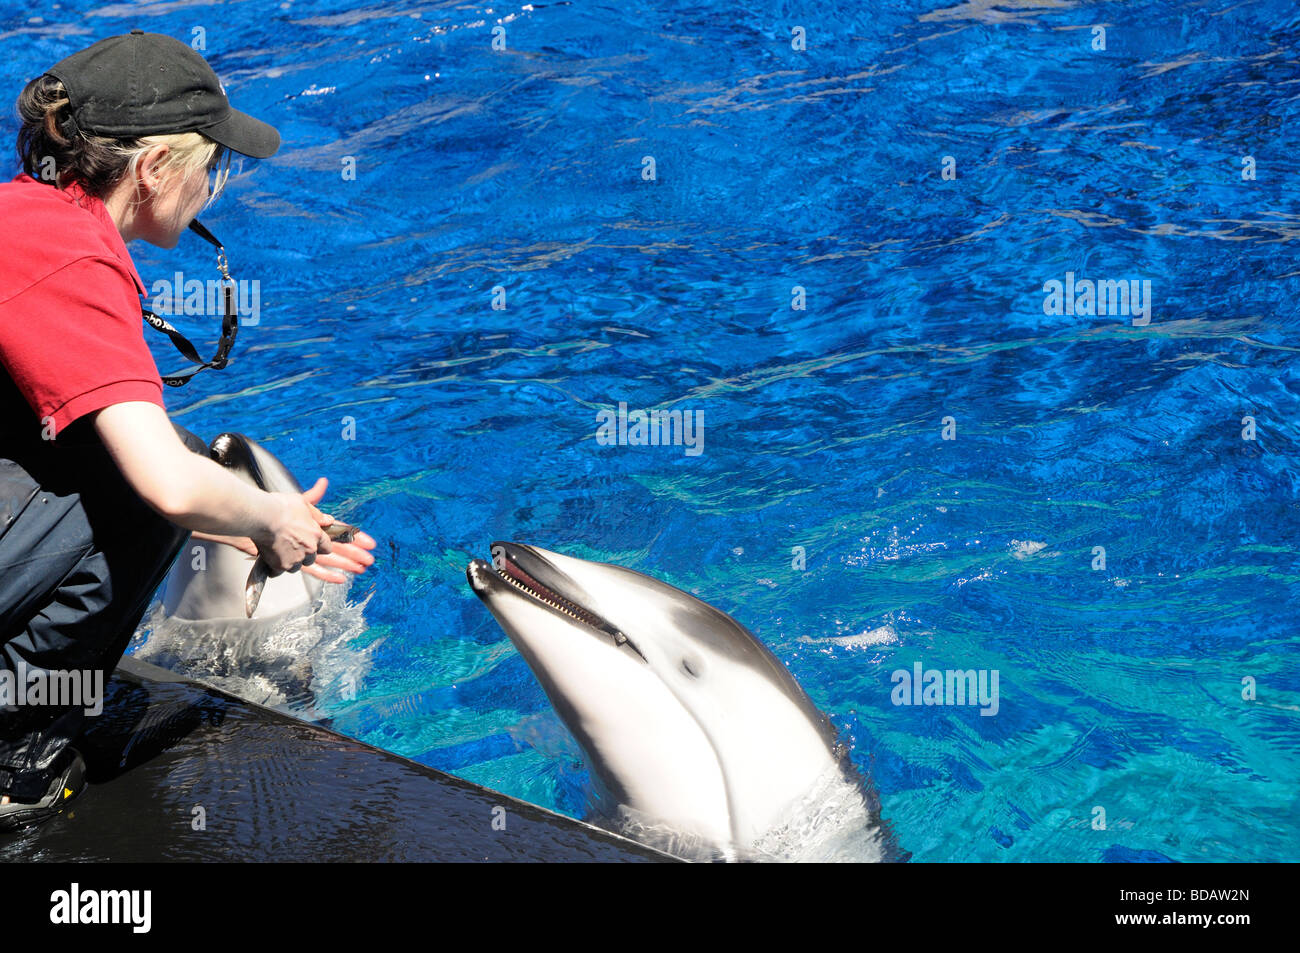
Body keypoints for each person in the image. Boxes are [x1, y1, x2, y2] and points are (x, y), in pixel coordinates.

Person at [0, 31, 376, 831]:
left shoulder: (25, 217)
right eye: (213, 163)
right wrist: (268, 516)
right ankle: (16, 756)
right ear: (153, 170)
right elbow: (164, 481)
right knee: (157, 482)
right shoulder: (71, 257)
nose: (215, 182)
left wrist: (233, 521)